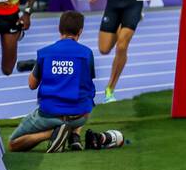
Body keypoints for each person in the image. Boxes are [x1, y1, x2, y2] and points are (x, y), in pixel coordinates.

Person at [8, 11, 116, 153]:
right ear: (80, 31)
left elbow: (32, 85)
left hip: (49, 115)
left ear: (59, 29)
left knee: (13, 143)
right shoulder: (86, 53)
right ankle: (74, 135)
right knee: (83, 95)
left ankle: (50, 134)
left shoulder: (45, 53)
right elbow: (87, 85)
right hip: (79, 116)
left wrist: (38, 65)